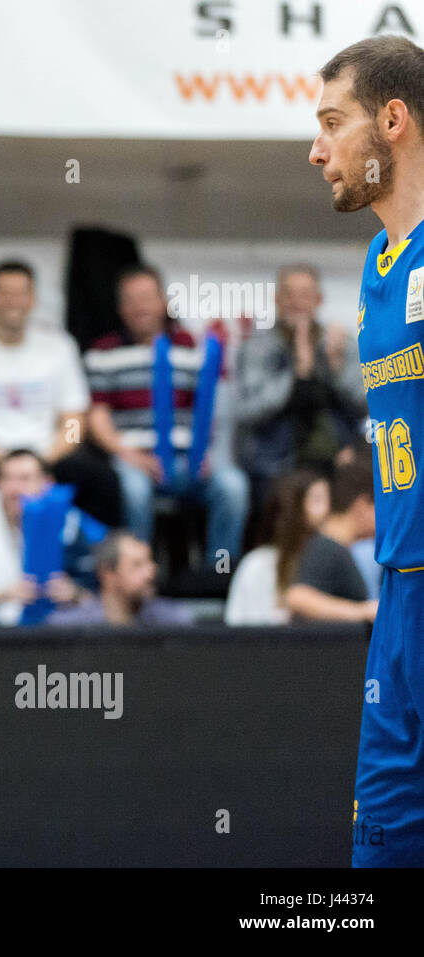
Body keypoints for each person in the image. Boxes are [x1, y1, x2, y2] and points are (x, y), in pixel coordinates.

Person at [310, 33, 424, 865]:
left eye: (332, 122)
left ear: (392, 120)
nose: (316, 150)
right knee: (379, 841)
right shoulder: (376, 269)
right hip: (397, 589)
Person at [84, 264, 250, 569]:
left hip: (190, 459)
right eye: (131, 300)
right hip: (134, 458)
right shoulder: (102, 352)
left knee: (233, 486)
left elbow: (206, 410)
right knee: (133, 491)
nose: (140, 308)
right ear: (120, 308)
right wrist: (129, 454)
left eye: (147, 298)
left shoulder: (191, 347)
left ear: (163, 302)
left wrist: (205, 453)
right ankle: (137, 576)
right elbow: (96, 420)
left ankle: (219, 573)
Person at [0, 260, 123, 527]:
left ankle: (98, 563)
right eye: (5, 293)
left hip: (49, 454)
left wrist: (41, 461)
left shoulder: (60, 345)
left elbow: (74, 421)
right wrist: (7, 463)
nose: (13, 301)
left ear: (33, 298)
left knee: (103, 479)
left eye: (21, 293)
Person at [233, 264, 367, 515]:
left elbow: (364, 405)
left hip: (338, 461)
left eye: (304, 295)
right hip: (274, 463)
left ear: (319, 300)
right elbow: (249, 410)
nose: (296, 303)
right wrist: (297, 372)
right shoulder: (257, 348)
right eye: (289, 294)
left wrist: (337, 369)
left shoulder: (339, 343)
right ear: (276, 299)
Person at [0, 448, 98, 627]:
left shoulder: (67, 521)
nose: (15, 489)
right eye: (7, 479)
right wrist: (5, 595)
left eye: (25, 479)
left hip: (54, 615)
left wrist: (73, 591)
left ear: (47, 483)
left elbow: (90, 588)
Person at [225, 469, 330, 626]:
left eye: (329, 500)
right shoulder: (257, 564)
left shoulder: (330, 558)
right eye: (317, 500)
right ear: (294, 508)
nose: (327, 509)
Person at [284, 461, 378, 623]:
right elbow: (298, 598)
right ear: (362, 505)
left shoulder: (333, 547)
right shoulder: (326, 548)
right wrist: (364, 611)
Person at [45, 531, 194, 627]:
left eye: (150, 562)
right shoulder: (71, 627)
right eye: (137, 565)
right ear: (108, 574)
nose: (151, 572)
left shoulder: (172, 621)